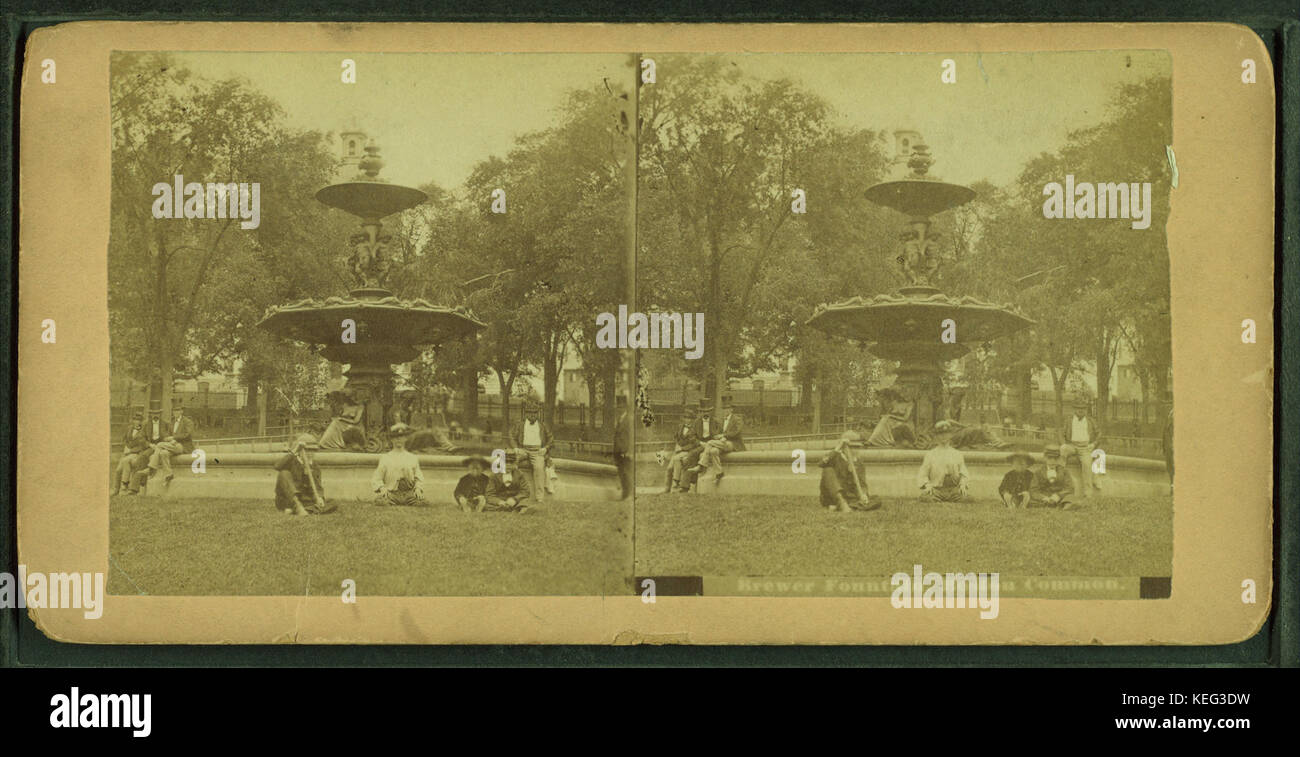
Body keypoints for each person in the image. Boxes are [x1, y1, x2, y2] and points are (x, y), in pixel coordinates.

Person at [819, 430, 881, 513]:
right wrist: (838, 447)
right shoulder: (835, 457)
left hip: (850, 498)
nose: (855, 450)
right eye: (852, 447)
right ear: (844, 448)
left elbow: (862, 483)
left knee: (877, 500)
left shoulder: (859, 462)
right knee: (828, 470)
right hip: (833, 496)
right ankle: (841, 504)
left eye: (857, 447)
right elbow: (822, 463)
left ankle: (847, 507)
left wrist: (864, 494)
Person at [273, 433, 333, 515]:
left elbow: (318, 487)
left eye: (312, 451)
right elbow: (277, 466)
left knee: (332, 502)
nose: (310, 453)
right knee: (284, 473)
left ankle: (304, 509)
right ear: (300, 451)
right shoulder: (292, 460)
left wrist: (320, 497)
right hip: (288, 499)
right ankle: (298, 508)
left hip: (305, 500)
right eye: (307, 450)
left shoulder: (315, 466)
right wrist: (294, 451)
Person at [371, 423, 430, 506]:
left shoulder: (412, 457)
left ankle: (407, 501)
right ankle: (393, 501)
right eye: (396, 437)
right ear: (391, 439)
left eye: (401, 437)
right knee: (380, 500)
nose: (399, 439)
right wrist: (382, 488)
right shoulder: (385, 457)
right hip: (392, 492)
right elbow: (377, 478)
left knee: (423, 502)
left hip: (409, 493)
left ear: (405, 438)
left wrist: (418, 488)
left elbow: (418, 477)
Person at [695, 394, 746, 484]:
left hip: (733, 444)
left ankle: (701, 464)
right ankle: (719, 473)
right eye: (724, 409)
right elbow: (717, 433)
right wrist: (718, 436)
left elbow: (736, 432)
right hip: (722, 443)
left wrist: (724, 436)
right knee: (713, 451)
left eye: (727, 408)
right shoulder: (720, 420)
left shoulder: (737, 419)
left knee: (710, 443)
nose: (725, 411)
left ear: (731, 409)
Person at [510, 401, 553, 502]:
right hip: (523, 449)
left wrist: (545, 448)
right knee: (509, 461)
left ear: (537, 414)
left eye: (534, 413)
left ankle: (539, 498)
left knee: (539, 468)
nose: (532, 415)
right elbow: (512, 436)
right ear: (526, 413)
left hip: (537, 451)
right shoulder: (520, 425)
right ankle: (509, 491)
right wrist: (515, 448)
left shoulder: (542, 425)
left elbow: (551, 439)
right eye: (530, 412)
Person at [916, 420, 969, 502]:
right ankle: (938, 498)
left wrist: (963, 484)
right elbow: (923, 473)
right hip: (937, 489)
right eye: (940, 434)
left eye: (946, 433)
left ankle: (950, 498)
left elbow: (964, 473)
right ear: (936, 436)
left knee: (967, 498)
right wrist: (927, 485)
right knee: (926, 497)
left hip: (953, 489)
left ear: (950, 435)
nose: (944, 436)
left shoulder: (957, 454)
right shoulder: (930, 454)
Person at [1060, 398, 1102, 499]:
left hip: (1085, 448)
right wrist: (1063, 443)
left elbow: (1099, 434)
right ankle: (1059, 475)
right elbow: (1061, 433)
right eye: (1078, 408)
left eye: (1083, 408)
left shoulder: (1091, 421)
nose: (1081, 410)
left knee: (1087, 465)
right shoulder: (1069, 420)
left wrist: (1093, 444)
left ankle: (1088, 493)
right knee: (1063, 449)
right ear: (1074, 409)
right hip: (1072, 445)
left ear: (1086, 410)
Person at [112, 411, 150, 495]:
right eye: (135, 420)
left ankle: (125, 485)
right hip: (127, 452)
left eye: (139, 420)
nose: (137, 422)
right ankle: (116, 490)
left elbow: (143, 445)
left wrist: (131, 450)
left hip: (136, 453)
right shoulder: (129, 428)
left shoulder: (144, 431)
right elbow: (124, 439)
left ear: (142, 422)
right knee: (118, 470)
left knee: (126, 461)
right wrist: (126, 447)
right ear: (133, 420)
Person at [667, 406, 703, 493]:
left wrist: (682, 448)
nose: (688, 420)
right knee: (669, 468)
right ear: (684, 419)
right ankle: (667, 488)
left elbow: (694, 444)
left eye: (690, 418)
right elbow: (675, 436)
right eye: (686, 418)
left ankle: (676, 482)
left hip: (687, 451)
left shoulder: (694, 429)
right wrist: (677, 444)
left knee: (677, 460)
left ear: (692, 419)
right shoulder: (680, 427)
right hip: (679, 450)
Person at [1030, 445, 1075, 509]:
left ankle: (1063, 505)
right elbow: (1033, 490)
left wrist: (1058, 495)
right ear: (1045, 458)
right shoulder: (1038, 472)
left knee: (1071, 498)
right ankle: (1050, 505)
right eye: (1049, 458)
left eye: (1056, 458)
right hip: (1045, 497)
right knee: (1030, 500)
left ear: (1059, 458)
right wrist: (1043, 497)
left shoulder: (1064, 471)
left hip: (1060, 497)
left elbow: (1069, 487)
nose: (1053, 461)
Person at [613, 394, 632, 500]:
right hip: (618, 450)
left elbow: (630, 436)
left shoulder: (628, 420)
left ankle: (628, 494)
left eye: (621, 407)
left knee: (626, 472)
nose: (619, 409)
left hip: (625, 450)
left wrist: (629, 450)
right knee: (621, 473)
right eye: (618, 407)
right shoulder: (620, 419)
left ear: (626, 407)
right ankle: (625, 494)